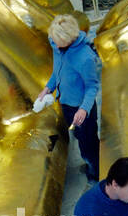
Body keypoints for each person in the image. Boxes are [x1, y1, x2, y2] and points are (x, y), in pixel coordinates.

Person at [37, 15, 101, 182]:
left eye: (58, 42)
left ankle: (94, 173)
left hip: (81, 109)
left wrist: (84, 109)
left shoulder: (85, 57)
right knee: (79, 137)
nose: (55, 45)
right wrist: (47, 89)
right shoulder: (57, 45)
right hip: (66, 103)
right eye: (54, 40)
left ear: (69, 39)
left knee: (88, 143)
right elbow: (57, 71)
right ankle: (88, 160)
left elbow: (92, 87)